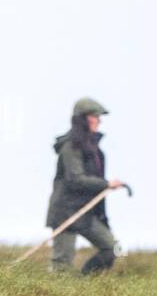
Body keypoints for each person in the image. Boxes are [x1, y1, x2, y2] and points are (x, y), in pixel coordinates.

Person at [46, 97, 124, 274]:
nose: (99, 120)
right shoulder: (71, 147)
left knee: (112, 249)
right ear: (83, 119)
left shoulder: (93, 148)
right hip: (65, 212)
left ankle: (85, 287)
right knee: (61, 266)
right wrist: (106, 184)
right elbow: (76, 179)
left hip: (85, 212)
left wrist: (106, 185)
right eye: (94, 115)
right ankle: (58, 295)